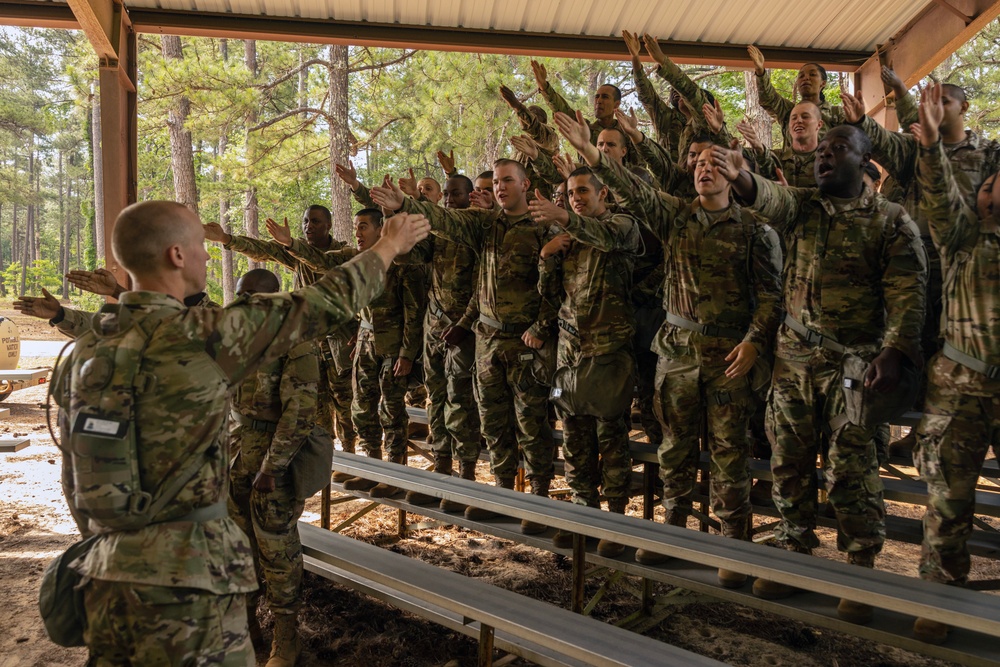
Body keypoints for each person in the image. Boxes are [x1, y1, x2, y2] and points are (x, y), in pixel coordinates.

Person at [15, 200, 428, 665]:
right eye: (199, 245)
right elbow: (323, 303)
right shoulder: (204, 336)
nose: (207, 256)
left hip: (105, 578)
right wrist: (388, 245)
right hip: (190, 589)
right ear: (177, 255)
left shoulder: (85, 349)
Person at [554, 110, 782, 587]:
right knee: (675, 449)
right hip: (677, 356)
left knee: (728, 453)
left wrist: (754, 342)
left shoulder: (754, 229)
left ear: (733, 173)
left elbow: (770, 297)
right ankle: (672, 535)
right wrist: (590, 152)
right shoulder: (675, 215)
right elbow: (633, 190)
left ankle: (733, 546)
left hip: (729, 358)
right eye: (699, 164)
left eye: (715, 164)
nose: (704, 169)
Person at [711, 125, 927, 624]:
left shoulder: (891, 220)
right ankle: (794, 550)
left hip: (856, 365)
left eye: (837, 150)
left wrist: (895, 351)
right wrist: (740, 176)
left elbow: (908, 294)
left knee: (851, 469)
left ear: (865, 159)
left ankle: (859, 570)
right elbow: (769, 197)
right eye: (821, 152)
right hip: (794, 360)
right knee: (788, 459)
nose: (824, 158)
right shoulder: (804, 206)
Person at [370, 160, 559, 535]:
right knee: (494, 423)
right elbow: (444, 219)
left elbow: (557, 286)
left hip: (526, 343)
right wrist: (403, 204)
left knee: (531, 423)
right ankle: (503, 496)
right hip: (488, 341)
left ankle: (538, 502)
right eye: (497, 181)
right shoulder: (484, 224)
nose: (501, 187)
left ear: (525, 185)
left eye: (508, 181)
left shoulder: (543, 228)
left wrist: (541, 327)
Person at [909, 83, 1000, 645]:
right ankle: (940, 598)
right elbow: (940, 194)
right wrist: (929, 144)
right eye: (986, 185)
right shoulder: (964, 236)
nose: (988, 189)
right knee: (948, 500)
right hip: (959, 389)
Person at [265, 209, 427, 498]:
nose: (357, 233)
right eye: (355, 227)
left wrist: (406, 353)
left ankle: (394, 474)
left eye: (363, 226)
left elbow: (414, 313)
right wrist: (290, 244)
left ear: (381, 229)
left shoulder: (405, 264)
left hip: (392, 347)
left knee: (392, 411)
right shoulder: (355, 256)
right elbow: (321, 260)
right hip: (364, 342)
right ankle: (371, 470)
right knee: (362, 409)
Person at [531, 167, 640, 557]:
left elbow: (607, 238)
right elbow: (551, 294)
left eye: (582, 191)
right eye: (570, 193)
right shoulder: (566, 236)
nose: (575, 198)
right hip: (570, 354)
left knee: (612, 442)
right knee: (575, 440)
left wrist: (564, 219)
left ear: (602, 193)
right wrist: (546, 257)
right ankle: (583, 518)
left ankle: (616, 522)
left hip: (608, 353)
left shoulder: (622, 225)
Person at [203, 205, 358, 475]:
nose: (309, 226)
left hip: (340, 341)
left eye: (316, 221)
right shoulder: (297, 253)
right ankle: (327, 461)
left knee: (344, 403)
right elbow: (264, 249)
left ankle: (352, 457)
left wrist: (291, 245)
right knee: (317, 407)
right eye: (306, 221)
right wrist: (227, 239)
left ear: (329, 225)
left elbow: (322, 263)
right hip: (310, 342)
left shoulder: (343, 255)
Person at [226, 268, 316, 666]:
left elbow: (300, 412)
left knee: (278, 551)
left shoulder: (293, 340)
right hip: (237, 455)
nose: (242, 303)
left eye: (250, 297)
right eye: (240, 296)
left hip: (271, 463)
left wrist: (272, 467)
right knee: (237, 545)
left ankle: (286, 638)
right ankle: (246, 626)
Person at [396, 174, 483, 511]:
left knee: (461, 402)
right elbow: (413, 255)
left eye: (455, 193)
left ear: (469, 196)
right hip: (434, 326)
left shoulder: (476, 229)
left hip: (464, 329)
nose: (448, 199)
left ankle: (467, 477)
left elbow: (484, 285)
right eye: (445, 194)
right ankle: (442, 468)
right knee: (436, 397)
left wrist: (465, 324)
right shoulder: (438, 231)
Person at [747, 45, 845, 148]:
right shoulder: (788, 111)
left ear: (823, 83)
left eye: (812, 74)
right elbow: (769, 99)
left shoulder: (836, 113)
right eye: (801, 76)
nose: (806, 78)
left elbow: (853, 139)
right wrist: (760, 71)